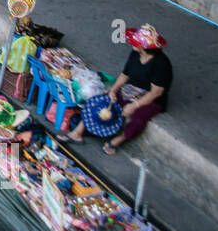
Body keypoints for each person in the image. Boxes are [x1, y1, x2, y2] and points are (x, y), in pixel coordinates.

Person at [66, 24, 172, 155]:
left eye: (136, 42)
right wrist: (113, 91)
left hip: (151, 98)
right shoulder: (135, 54)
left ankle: (116, 141)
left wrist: (135, 105)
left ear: (144, 47)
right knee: (100, 101)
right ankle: (77, 132)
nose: (131, 43)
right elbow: (124, 75)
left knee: (139, 118)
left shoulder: (161, 64)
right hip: (131, 89)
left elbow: (156, 92)